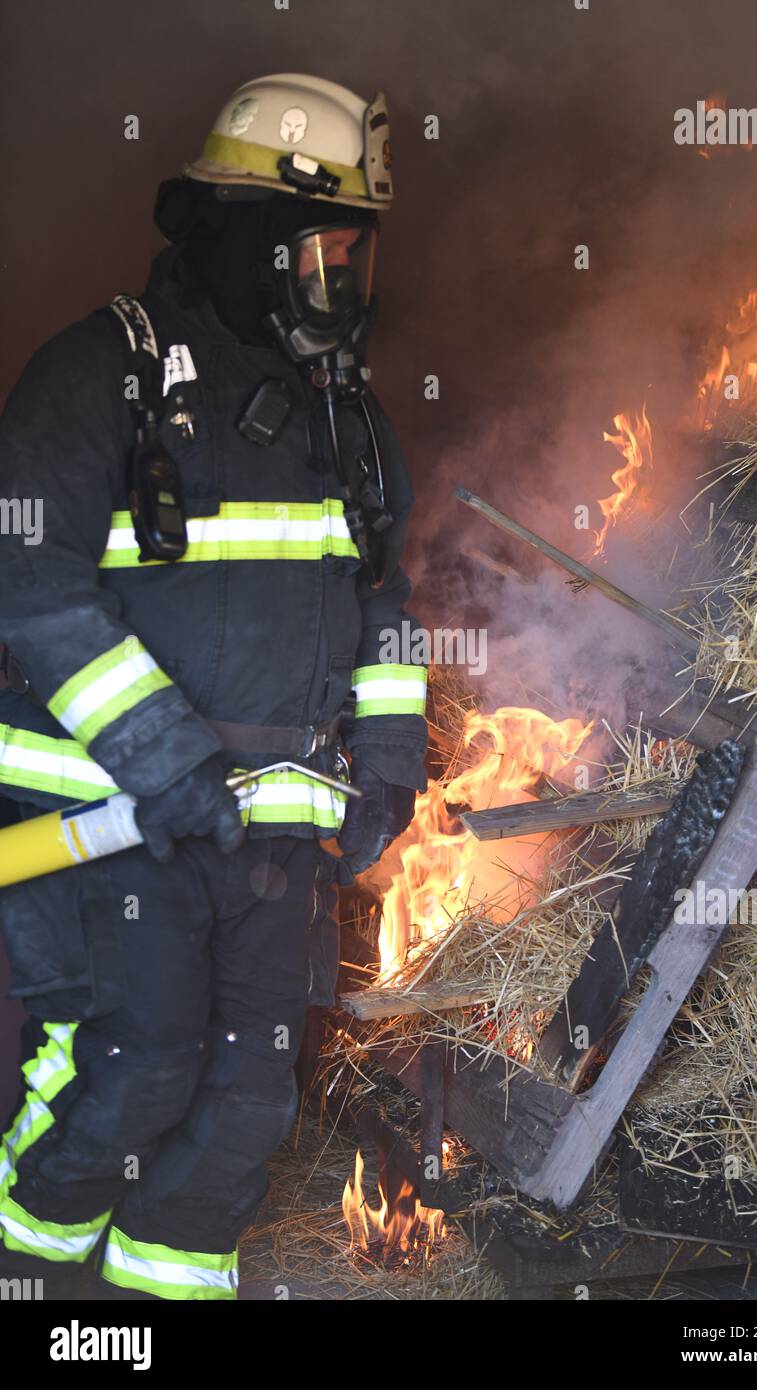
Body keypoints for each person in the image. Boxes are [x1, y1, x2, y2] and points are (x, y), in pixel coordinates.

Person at [0, 73, 427, 1300]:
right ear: (251, 234)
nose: (346, 282)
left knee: (249, 1096)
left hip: (269, 840)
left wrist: (388, 766)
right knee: (132, 1074)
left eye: (357, 251)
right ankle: (35, 1290)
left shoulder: (346, 420)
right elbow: (30, 588)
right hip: (108, 822)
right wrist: (172, 766)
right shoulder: (98, 375)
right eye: (326, 249)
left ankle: (161, 1298)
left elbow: (385, 606)